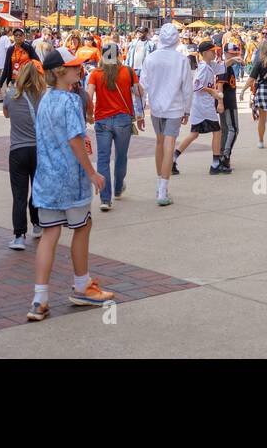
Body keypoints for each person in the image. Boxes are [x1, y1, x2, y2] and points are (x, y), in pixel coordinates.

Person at [27, 48, 116, 321]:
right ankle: (81, 285)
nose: (80, 70)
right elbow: (75, 140)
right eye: (75, 67)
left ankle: (40, 298)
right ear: (59, 71)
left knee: (50, 233)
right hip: (70, 179)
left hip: (45, 179)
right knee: (83, 225)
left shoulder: (44, 99)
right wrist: (92, 172)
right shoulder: (69, 101)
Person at [88, 42, 146, 211]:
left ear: (102, 55)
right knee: (121, 156)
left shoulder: (96, 74)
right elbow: (139, 92)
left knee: (103, 159)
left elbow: (89, 96)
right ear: (119, 54)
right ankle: (118, 187)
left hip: (102, 120)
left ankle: (105, 199)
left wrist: (89, 114)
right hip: (123, 120)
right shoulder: (127, 71)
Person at [140, 22, 192, 206]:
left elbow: (142, 87)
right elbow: (187, 87)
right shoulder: (182, 60)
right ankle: (163, 188)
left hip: (156, 107)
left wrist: (140, 109)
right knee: (170, 144)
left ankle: (158, 182)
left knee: (160, 143)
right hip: (175, 107)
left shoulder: (151, 58)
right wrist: (187, 109)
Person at [5, 62, 47, 249]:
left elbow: (6, 114)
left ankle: (19, 235)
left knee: (19, 194)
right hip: (39, 149)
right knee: (37, 190)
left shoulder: (11, 96)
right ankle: (37, 224)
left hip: (18, 150)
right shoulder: (44, 97)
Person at [173, 41, 228, 175]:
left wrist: (234, 60)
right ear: (204, 53)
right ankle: (215, 165)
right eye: (212, 51)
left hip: (200, 105)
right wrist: (212, 91)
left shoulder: (209, 65)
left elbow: (222, 67)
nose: (215, 53)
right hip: (203, 105)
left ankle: (172, 159)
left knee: (194, 134)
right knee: (217, 131)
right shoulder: (204, 68)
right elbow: (196, 85)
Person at [218, 41, 245, 171]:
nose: (235, 55)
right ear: (226, 54)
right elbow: (220, 86)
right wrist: (221, 102)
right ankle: (225, 156)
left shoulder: (228, 66)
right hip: (227, 101)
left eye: (236, 53)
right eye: (232, 53)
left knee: (226, 130)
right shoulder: (224, 66)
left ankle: (222, 155)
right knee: (233, 129)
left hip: (228, 101)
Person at [0, 28, 40, 95]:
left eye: (20, 35)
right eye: (16, 35)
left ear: (24, 36)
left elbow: (37, 62)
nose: (18, 37)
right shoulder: (10, 49)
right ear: (13, 37)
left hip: (26, 80)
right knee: (13, 101)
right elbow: (6, 67)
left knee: (25, 101)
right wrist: (0, 85)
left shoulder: (28, 47)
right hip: (14, 80)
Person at [0, 27, 13, 102]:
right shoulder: (6, 39)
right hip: (3, 62)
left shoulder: (1, 38)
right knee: (3, 79)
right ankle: (1, 96)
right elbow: (7, 48)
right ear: (9, 32)